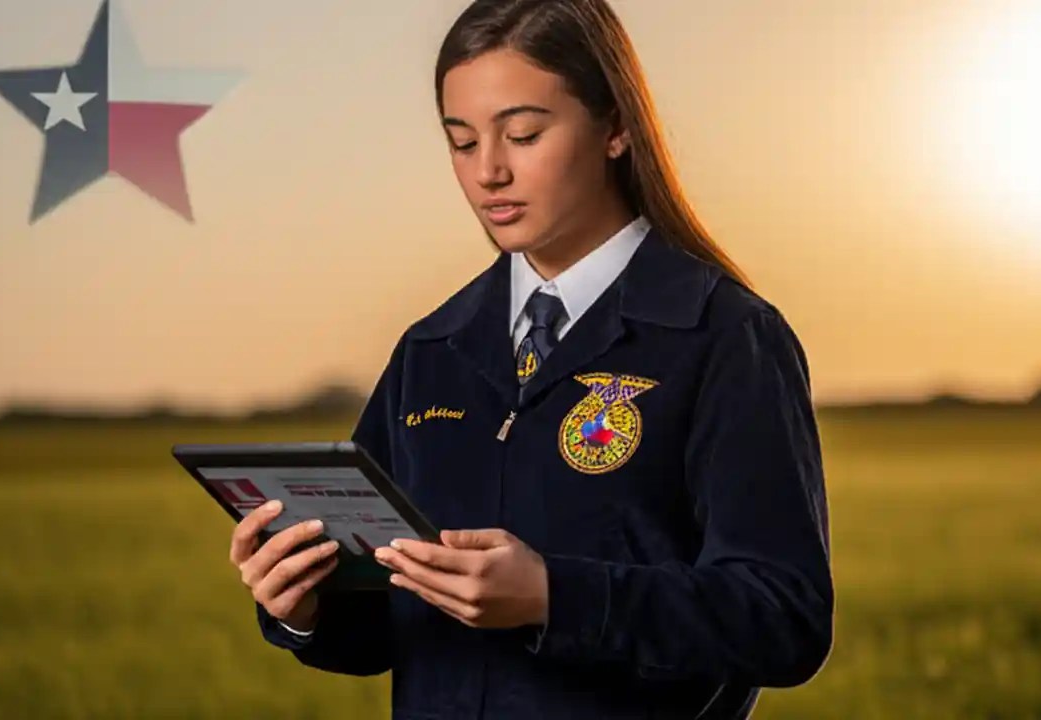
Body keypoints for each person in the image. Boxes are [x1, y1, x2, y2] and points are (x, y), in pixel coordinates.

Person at [229, 0, 834, 717]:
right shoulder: (432, 349)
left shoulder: (725, 336)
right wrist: (305, 606)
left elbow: (784, 617)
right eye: (461, 142)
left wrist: (553, 596)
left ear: (616, 127)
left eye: (522, 133)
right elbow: (386, 632)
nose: (489, 171)